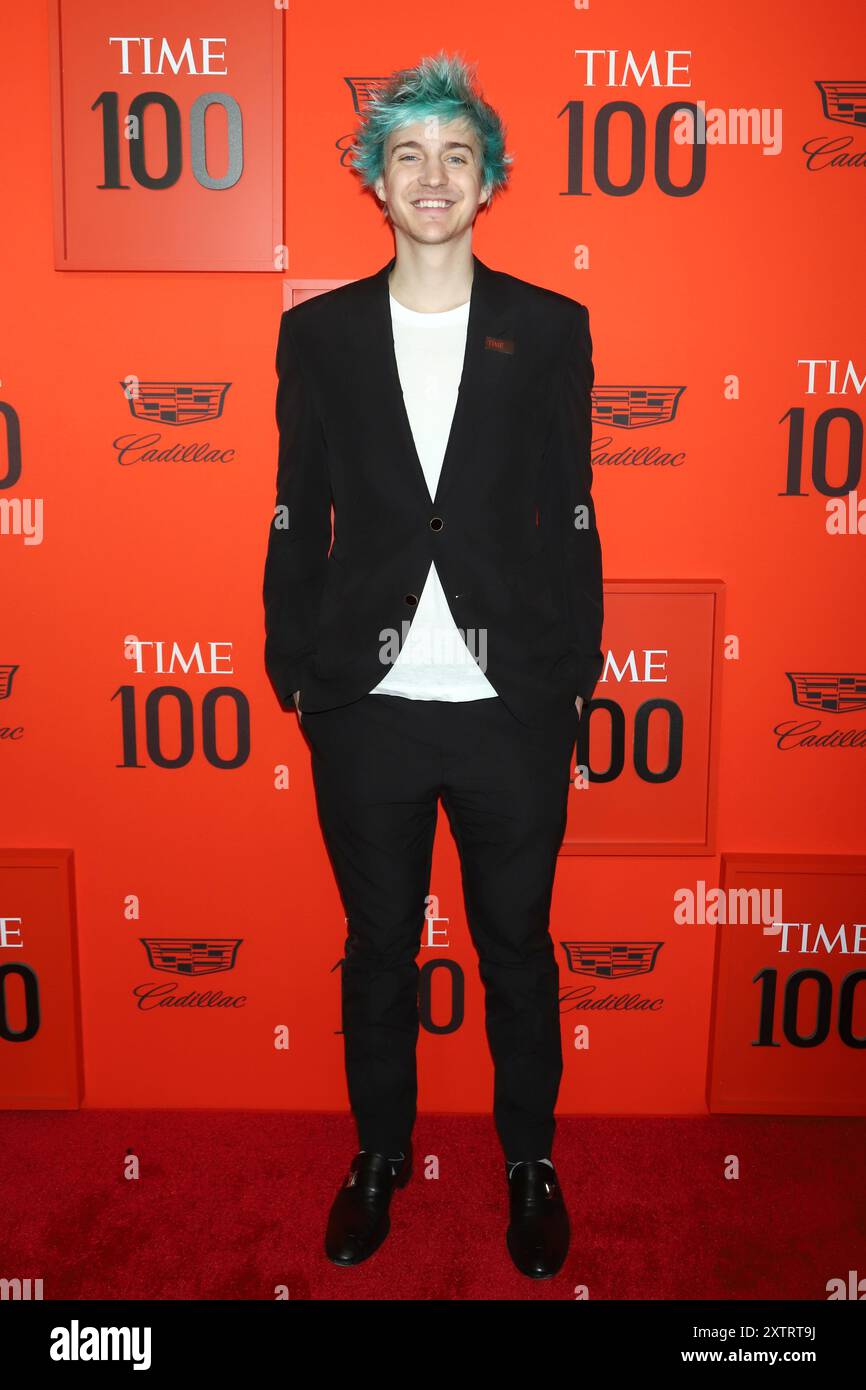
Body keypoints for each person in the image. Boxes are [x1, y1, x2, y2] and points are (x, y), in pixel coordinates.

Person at [263, 50, 604, 1279]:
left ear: (487, 180)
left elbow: (569, 510)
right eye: (407, 152)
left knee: (516, 944)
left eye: (457, 154)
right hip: (367, 708)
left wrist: (572, 674)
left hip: (510, 702)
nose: (431, 176)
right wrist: (294, 668)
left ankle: (528, 1159)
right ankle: (377, 1158)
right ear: (376, 175)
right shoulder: (321, 334)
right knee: (374, 950)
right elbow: (299, 509)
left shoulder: (547, 328)